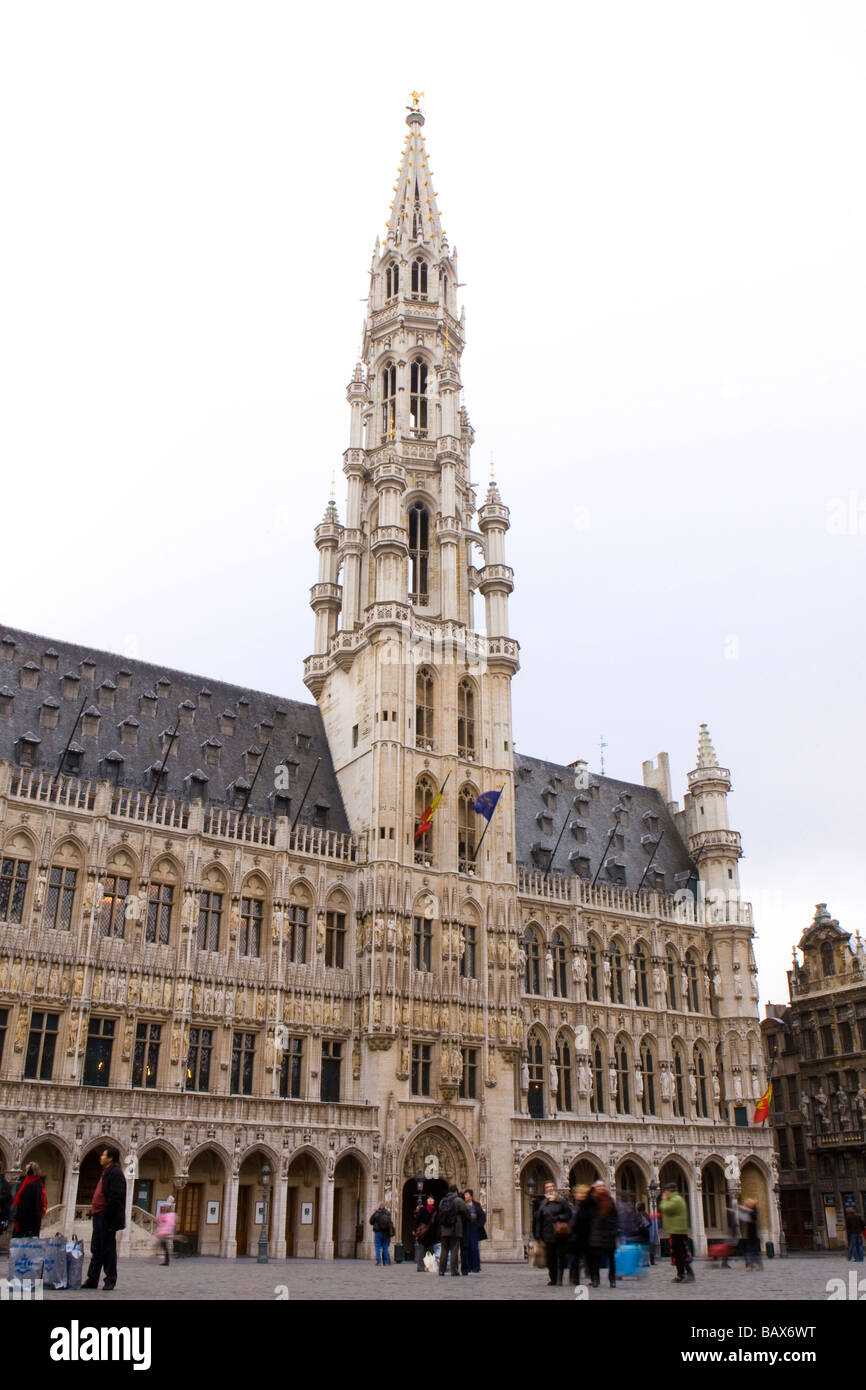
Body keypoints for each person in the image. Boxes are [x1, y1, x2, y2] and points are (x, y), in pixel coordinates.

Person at [82, 1146, 127, 1291]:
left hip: (106, 1217)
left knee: (108, 1249)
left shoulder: (116, 1173)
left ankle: (110, 1279)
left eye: (104, 1155)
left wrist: (107, 1215)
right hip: (99, 1214)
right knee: (97, 1248)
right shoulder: (107, 1172)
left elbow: (116, 1197)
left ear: (110, 1158)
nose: (101, 1157)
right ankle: (92, 1279)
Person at [531, 1180, 572, 1287]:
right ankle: (552, 1278)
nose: (550, 1189)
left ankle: (559, 1279)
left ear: (555, 1188)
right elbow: (538, 1219)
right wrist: (537, 1234)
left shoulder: (562, 1201)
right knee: (550, 1259)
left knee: (559, 1257)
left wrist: (558, 1218)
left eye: (551, 1187)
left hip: (559, 1234)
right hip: (547, 1234)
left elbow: (568, 1214)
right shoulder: (543, 1202)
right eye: (547, 1187)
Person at [660, 1182, 695, 1284]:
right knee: (678, 1254)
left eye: (666, 1191)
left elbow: (665, 1208)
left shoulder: (676, 1200)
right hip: (676, 1230)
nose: (665, 1193)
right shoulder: (676, 1199)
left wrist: (664, 1199)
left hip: (677, 1231)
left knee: (680, 1254)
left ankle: (689, 1274)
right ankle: (681, 1274)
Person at [587, 1180, 619, 1289]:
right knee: (595, 1259)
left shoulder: (610, 1200)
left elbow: (615, 1216)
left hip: (609, 1233)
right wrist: (591, 1188)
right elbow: (586, 1200)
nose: (601, 1188)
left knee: (611, 1258)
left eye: (602, 1186)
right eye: (598, 1186)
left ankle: (612, 1279)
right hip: (596, 1232)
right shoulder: (593, 1200)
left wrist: (615, 1229)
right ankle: (595, 1279)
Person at [437, 1184, 469, 1276]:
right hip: (455, 1228)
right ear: (456, 1191)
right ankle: (454, 1270)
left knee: (444, 1250)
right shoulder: (458, 1200)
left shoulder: (443, 1201)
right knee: (454, 1249)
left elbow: (440, 1210)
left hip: (444, 1229)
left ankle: (441, 1270)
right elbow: (465, 1210)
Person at [567, 1185, 594, 1285]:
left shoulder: (588, 1206)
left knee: (588, 1259)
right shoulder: (576, 1206)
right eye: (578, 1193)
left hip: (586, 1236)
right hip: (576, 1237)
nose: (579, 1195)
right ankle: (575, 1278)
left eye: (582, 1193)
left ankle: (592, 1277)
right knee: (575, 1259)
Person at [12, 1162, 47, 1237]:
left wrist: (18, 1219)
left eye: (27, 1170)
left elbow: (25, 1205)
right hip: (33, 1223)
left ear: (31, 1171)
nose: (25, 1172)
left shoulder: (31, 1185)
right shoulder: (38, 1184)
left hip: (26, 1224)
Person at [461, 1189, 486, 1275]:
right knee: (466, 1247)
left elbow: (482, 1216)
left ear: (471, 1196)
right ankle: (467, 1267)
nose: (465, 1196)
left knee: (474, 1248)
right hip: (465, 1228)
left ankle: (475, 1267)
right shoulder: (463, 1205)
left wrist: (479, 1225)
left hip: (474, 1228)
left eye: (467, 1195)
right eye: (465, 1195)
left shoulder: (476, 1205)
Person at [412, 1195, 437, 1271]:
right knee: (422, 1251)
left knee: (431, 1251)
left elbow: (437, 1222)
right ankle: (420, 1267)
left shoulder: (435, 1210)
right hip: (423, 1233)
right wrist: (414, 1229)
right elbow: (417, 1220)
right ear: (426, 1201)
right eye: (429, 1199)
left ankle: (430, 1267)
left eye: (432, 1199)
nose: (430, 1200)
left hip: (432, 1233)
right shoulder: (423, 1209)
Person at [740, 1198, 762, 1271]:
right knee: (749, 1251)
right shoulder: (750, 1211)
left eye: (747, 1205)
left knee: (755, 1252)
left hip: (755, 1235)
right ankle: (750, 1265)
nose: (746, 1206)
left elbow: (752, 1216)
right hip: (750, 1234)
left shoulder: (754, 1211)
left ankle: (758, 1265)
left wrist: (741, 1208)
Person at [156, 1196, 178, 1266]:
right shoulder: (169, 1215)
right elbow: (160, 1221)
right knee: (165, 1246)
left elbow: (167, 1223)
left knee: (165, 1246)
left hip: (166, 1232)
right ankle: (167, 1260)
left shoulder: (170, 1215)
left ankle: (167, 1261)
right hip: (166, 1232)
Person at [634, 1201, 653, 1265]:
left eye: (636, 1205)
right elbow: (650, 1223)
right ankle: (647, 1261)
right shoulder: (646, 1214)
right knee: (645, 1247)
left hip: (639, 1233)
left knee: (639, 1247)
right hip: (645, 1232)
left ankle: (639, 1261)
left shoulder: (637, 1214)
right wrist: (645, 1227)